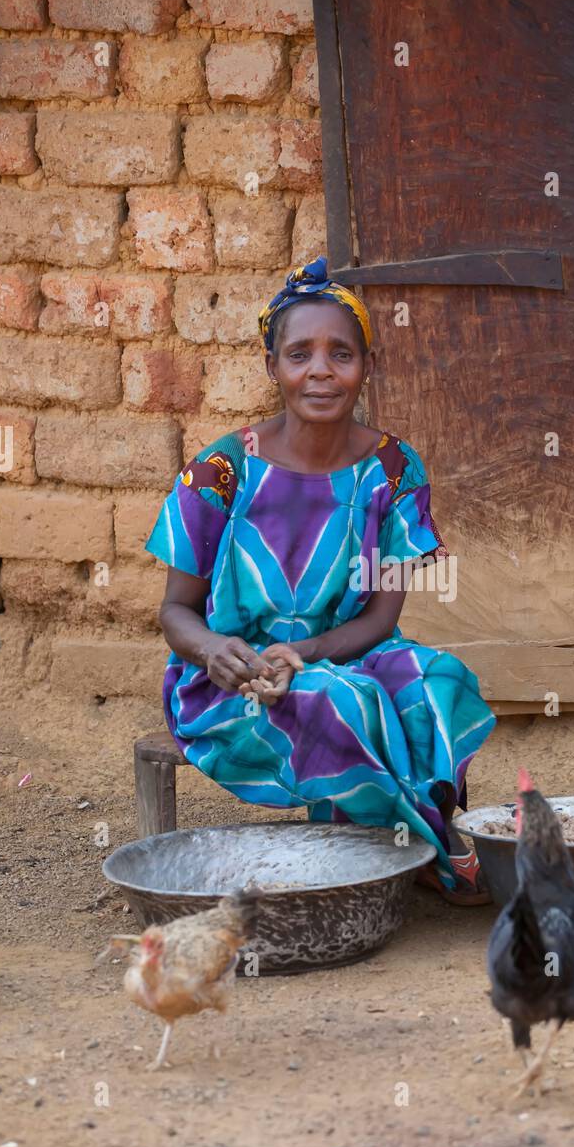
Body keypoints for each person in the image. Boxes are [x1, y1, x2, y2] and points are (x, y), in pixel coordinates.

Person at [145, 256, 496, 904]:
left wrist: (300, 653)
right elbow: (176, 612)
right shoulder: (221, 471)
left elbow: (379, 623)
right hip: (233, 684)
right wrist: (216, 651)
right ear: (272, 366)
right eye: (300, 354)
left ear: (367, 364)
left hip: (347, 653)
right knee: (338, 700)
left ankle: (409, 849)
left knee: (441, 680)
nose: (321, 372)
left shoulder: (392, 470)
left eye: (341, 354)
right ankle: (420, 858)